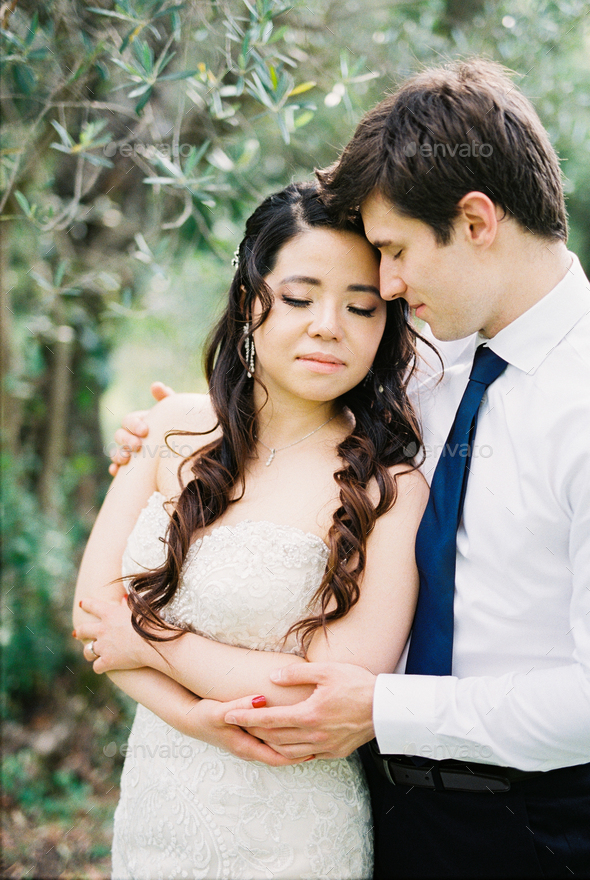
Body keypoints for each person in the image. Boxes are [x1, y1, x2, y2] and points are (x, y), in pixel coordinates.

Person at [113, 59, 590, 878]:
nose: (390, 283)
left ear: (477, 222)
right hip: (378, 809)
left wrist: (385, 707)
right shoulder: (432, 359)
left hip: (536, 830)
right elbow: (296, 392)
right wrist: (176, 424)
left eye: (396, 251)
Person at [73, 181, 432, 879]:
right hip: (158, 811)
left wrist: (152, 641)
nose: (329, 325)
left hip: (296, 834)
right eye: (298, 298)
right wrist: (195, 719)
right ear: (248, 303)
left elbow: (319, 698)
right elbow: (94, 622)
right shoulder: (170, 430)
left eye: (361, 307)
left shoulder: (389, 487)